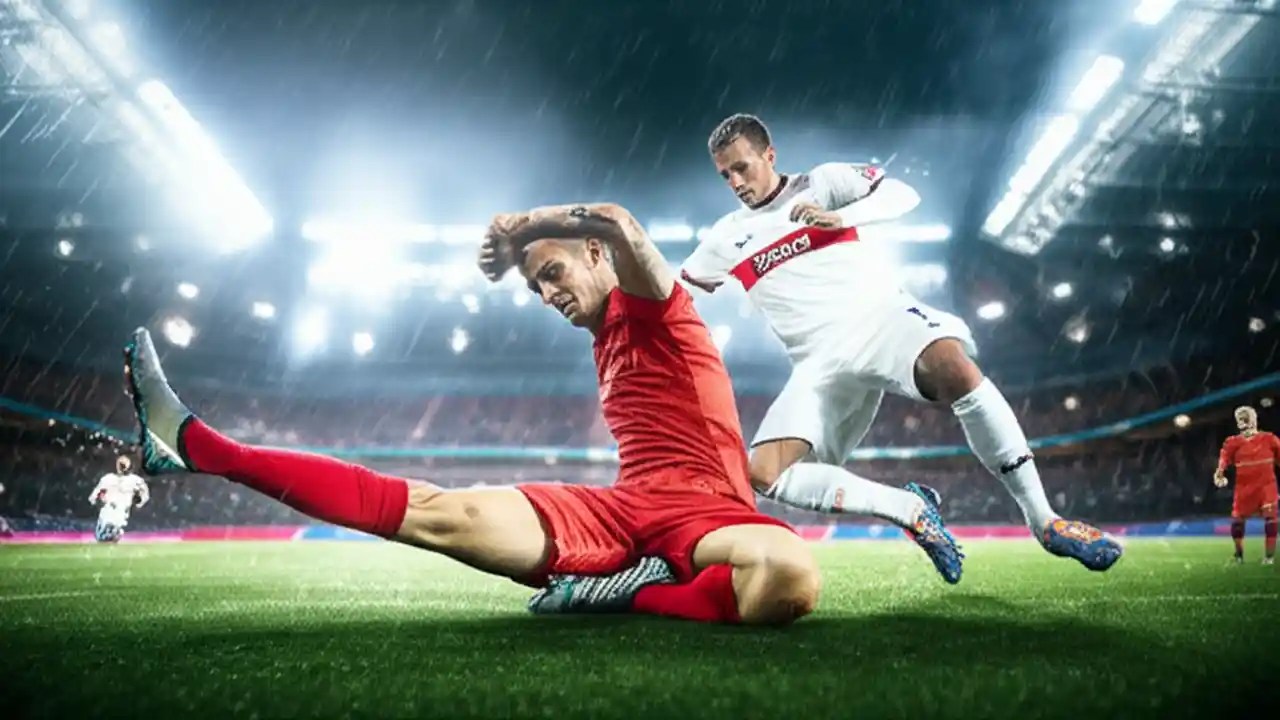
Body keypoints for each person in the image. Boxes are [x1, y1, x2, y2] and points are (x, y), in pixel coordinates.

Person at [123, 202, 859, 625]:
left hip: (709, 517)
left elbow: (621, 221)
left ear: (597, 257)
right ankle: (197, 446)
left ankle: (640, 591)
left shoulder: (659, 310)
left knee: (791, 577)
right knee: (441, 514)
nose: (546, 294)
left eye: (553, 273)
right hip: (624, 511)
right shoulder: (602, 341)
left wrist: (522, 228)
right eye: (536, 285)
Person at [675, 113, 1121, 571]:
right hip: (817, 363)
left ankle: (1046, 522)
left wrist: (841, 217)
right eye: (725, 174)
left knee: (955, 366)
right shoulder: (726, 236)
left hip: (880, 319)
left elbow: (903, 193)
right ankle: (909, 510)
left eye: (742, 167)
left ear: (769, 155)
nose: (735, 181)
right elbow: (674, 291)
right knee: (766, 474)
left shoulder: (823, 182)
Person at [1214, 405, 1279, 565]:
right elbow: (1224, 459)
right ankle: (1239, 555)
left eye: (1247, 417)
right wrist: (1219, 473)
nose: (1244, 421)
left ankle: (1269, 557)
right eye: (1241, 418)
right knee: (1237, 522)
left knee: (1271, 519)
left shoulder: (1269, 439)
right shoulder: (1233, 442)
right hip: (1244, 488)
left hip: (1266, 486)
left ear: (1254, 419)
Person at [88, 456, 149, 543]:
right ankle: (111, 532)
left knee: (108, 537)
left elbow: (144, 496)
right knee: (101, 537)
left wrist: (138, 501)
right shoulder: (108, 478)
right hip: (108, 510)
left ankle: (114, 532)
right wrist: (99, 499)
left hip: (120, 513)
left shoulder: (136, 480)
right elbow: (94, 496)